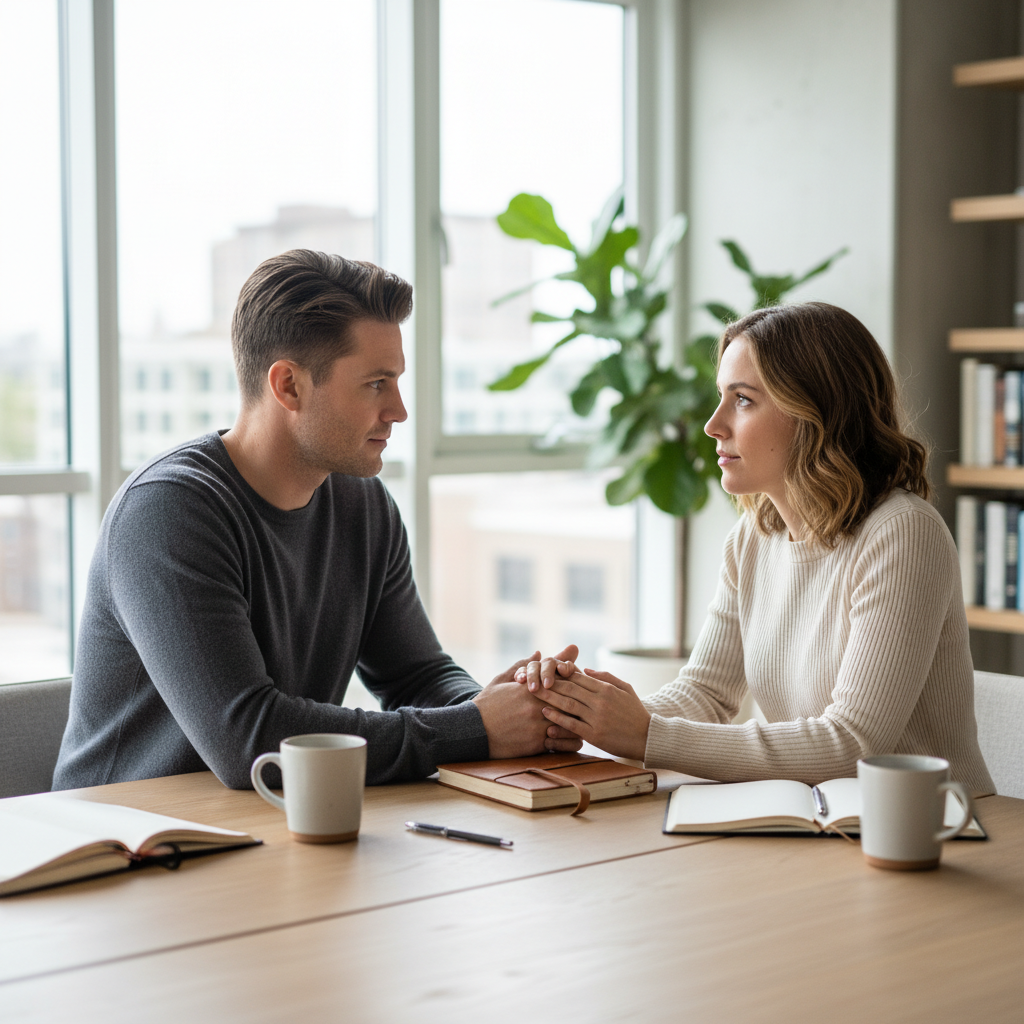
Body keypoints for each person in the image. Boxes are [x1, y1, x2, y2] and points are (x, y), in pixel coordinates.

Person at [53, 250, 579, 792]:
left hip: (267, 832)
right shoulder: (168, 512)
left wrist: (514, 706)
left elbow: (415, 675)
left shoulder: (364, 506)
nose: (398, 410)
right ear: (289, 387)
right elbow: (249, 741)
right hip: (120, 846)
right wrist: (475, 728)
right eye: (376, 383)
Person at [520, 301, 994, 795]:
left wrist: (645, 735)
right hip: (831, 823)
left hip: (943, 834)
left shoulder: (903, 533)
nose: (713, 425)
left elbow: (853, 744)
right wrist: (579, 711)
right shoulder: (753, 539)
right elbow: (704, 693)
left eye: (742, 400)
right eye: (721, 396)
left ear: (815, 412)